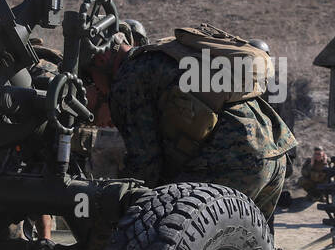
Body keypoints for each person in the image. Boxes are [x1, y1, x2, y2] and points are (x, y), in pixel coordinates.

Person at [87, 24, 297, 221]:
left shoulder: (128, 78)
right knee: (253, 249)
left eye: (90, 77)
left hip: (234, 160)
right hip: (274, 152)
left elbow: (145, 167)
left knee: (165, 234)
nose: (94, 85)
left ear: (101, 58)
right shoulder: (165, 53)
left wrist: (117, 210)